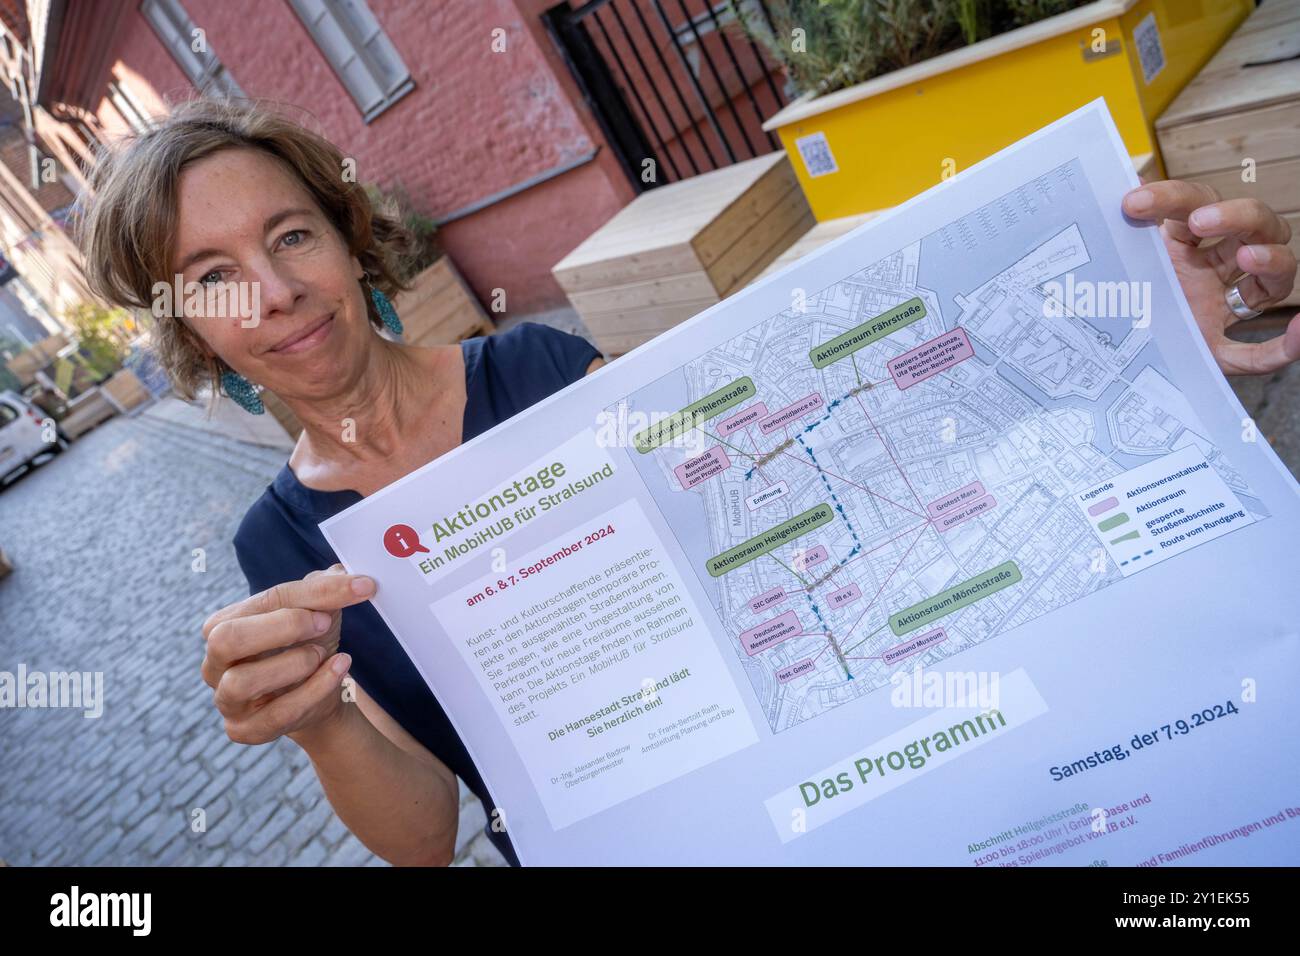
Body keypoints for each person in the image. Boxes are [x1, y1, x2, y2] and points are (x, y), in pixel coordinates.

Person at [77, 98, 1298, 867]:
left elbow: (823, 488)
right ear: (187, 322)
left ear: (346, 236)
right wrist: (322, 718)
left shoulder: (548, 369)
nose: (276, 290)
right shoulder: (275, 541)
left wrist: (1141, 335)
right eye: (213, 274)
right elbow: (427, 839)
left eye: (290, 235)